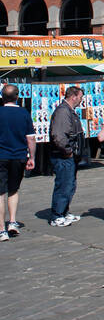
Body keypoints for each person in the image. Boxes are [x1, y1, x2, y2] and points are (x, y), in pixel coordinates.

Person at [0, 83, 36, 240]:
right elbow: (31, 138)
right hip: (19, 155)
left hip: (1, 155)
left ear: (2, 97)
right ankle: (13, 222)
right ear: (17, 97)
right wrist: (32, 157)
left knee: (0, 192)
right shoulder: (23, 113)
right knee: (13, 190)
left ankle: (1, 229)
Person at [48, 85, 86, 227]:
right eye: (80, 97)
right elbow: (58, 136)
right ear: (73, 96)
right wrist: (68, 151)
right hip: (63, 156)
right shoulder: (63, 112)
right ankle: (57, 215)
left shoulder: (70, 111)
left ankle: (64, 211)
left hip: (70, 156)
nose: (81, 100)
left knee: (70, 185)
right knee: (64, 184)